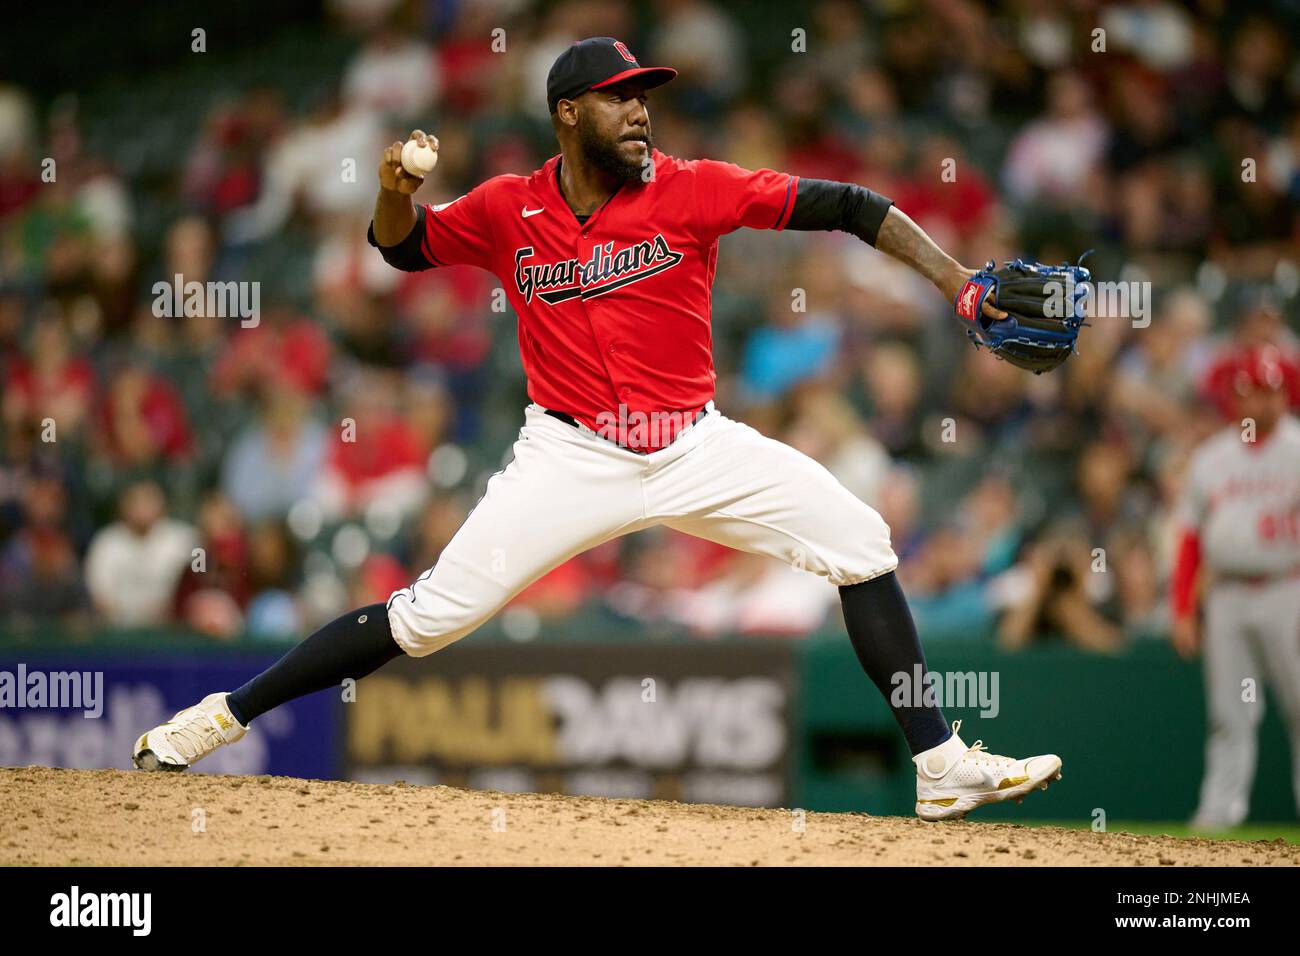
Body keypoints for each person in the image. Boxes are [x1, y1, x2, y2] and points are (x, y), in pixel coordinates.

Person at [134, 37, 1061, 821]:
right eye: (619, 100)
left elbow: (851, 207)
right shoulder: (508, 207)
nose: (640, 113)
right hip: (570, 453)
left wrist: (960, 284)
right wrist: (390, 188)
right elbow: (402, 247)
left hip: (697, 444)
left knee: (861, 542)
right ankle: (222, 715)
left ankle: (938, 766)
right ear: (568, 113)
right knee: (426, 621)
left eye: (644, 98)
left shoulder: (692, 189)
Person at [1171, 345, 1300, 828]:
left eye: (1271, 392)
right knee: (1229, 711)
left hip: (1287, 589)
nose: (1261, 403)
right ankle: (1219, 814)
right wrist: (1184, 608)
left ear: (1285, 395)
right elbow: (1189, 539)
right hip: (1226, 594)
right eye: (1251, 392)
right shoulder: (1212, 458)